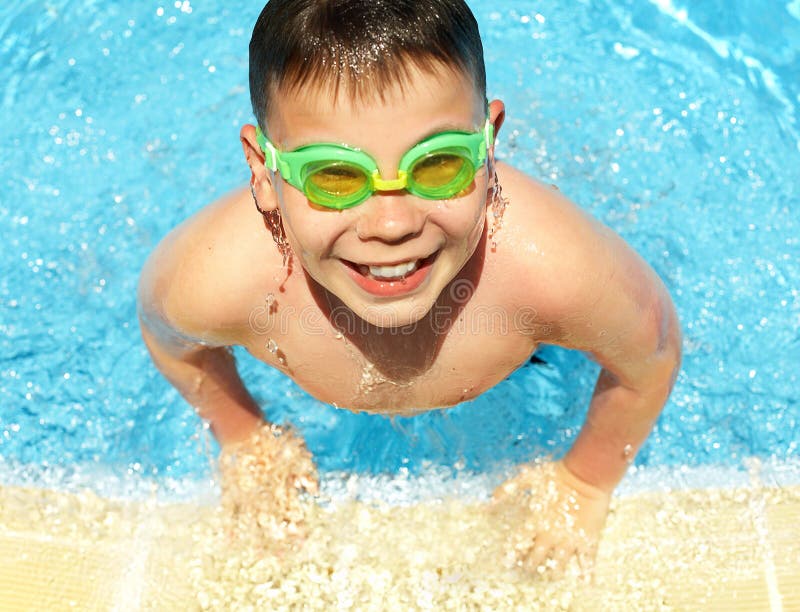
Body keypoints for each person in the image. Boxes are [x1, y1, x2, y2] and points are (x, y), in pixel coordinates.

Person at [137, 0, 681, 575]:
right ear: (263, 172)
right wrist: (243, 434)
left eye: (439, 164)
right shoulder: (217, 280)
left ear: (489, 148)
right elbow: (167, 335)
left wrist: (584, 481)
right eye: (335, 176)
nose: (392, 225)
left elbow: (652, 351)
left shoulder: (548, 273)